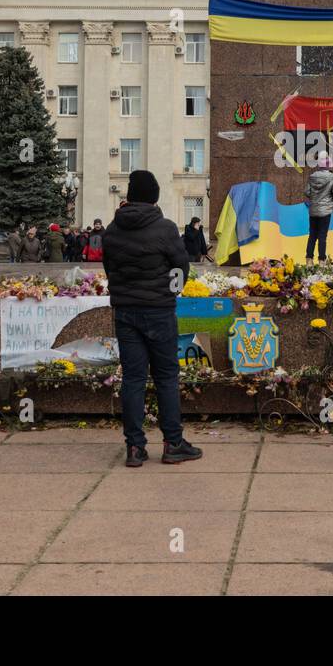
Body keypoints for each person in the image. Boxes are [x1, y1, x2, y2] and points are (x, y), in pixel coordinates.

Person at [103, 169, 202, 467]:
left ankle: (134, 447)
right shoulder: (165, 228)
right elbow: (180, 268)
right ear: (155, 197)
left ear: (130, 196)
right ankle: (173, 443)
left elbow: (111, 271)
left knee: (133, 379)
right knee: (166, 378)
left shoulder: (111, 230)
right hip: (159, 312)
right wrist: (168, 293)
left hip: (125, 314)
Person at [303, 152, 333, 264]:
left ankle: (309, 261)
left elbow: (307, 192)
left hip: (313, 210)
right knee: (322, 237)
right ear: (330, 166)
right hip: (325, 212)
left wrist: (315, 199)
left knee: (312, 236)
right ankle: (321, 262)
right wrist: (332, 199)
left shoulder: (312, 177)